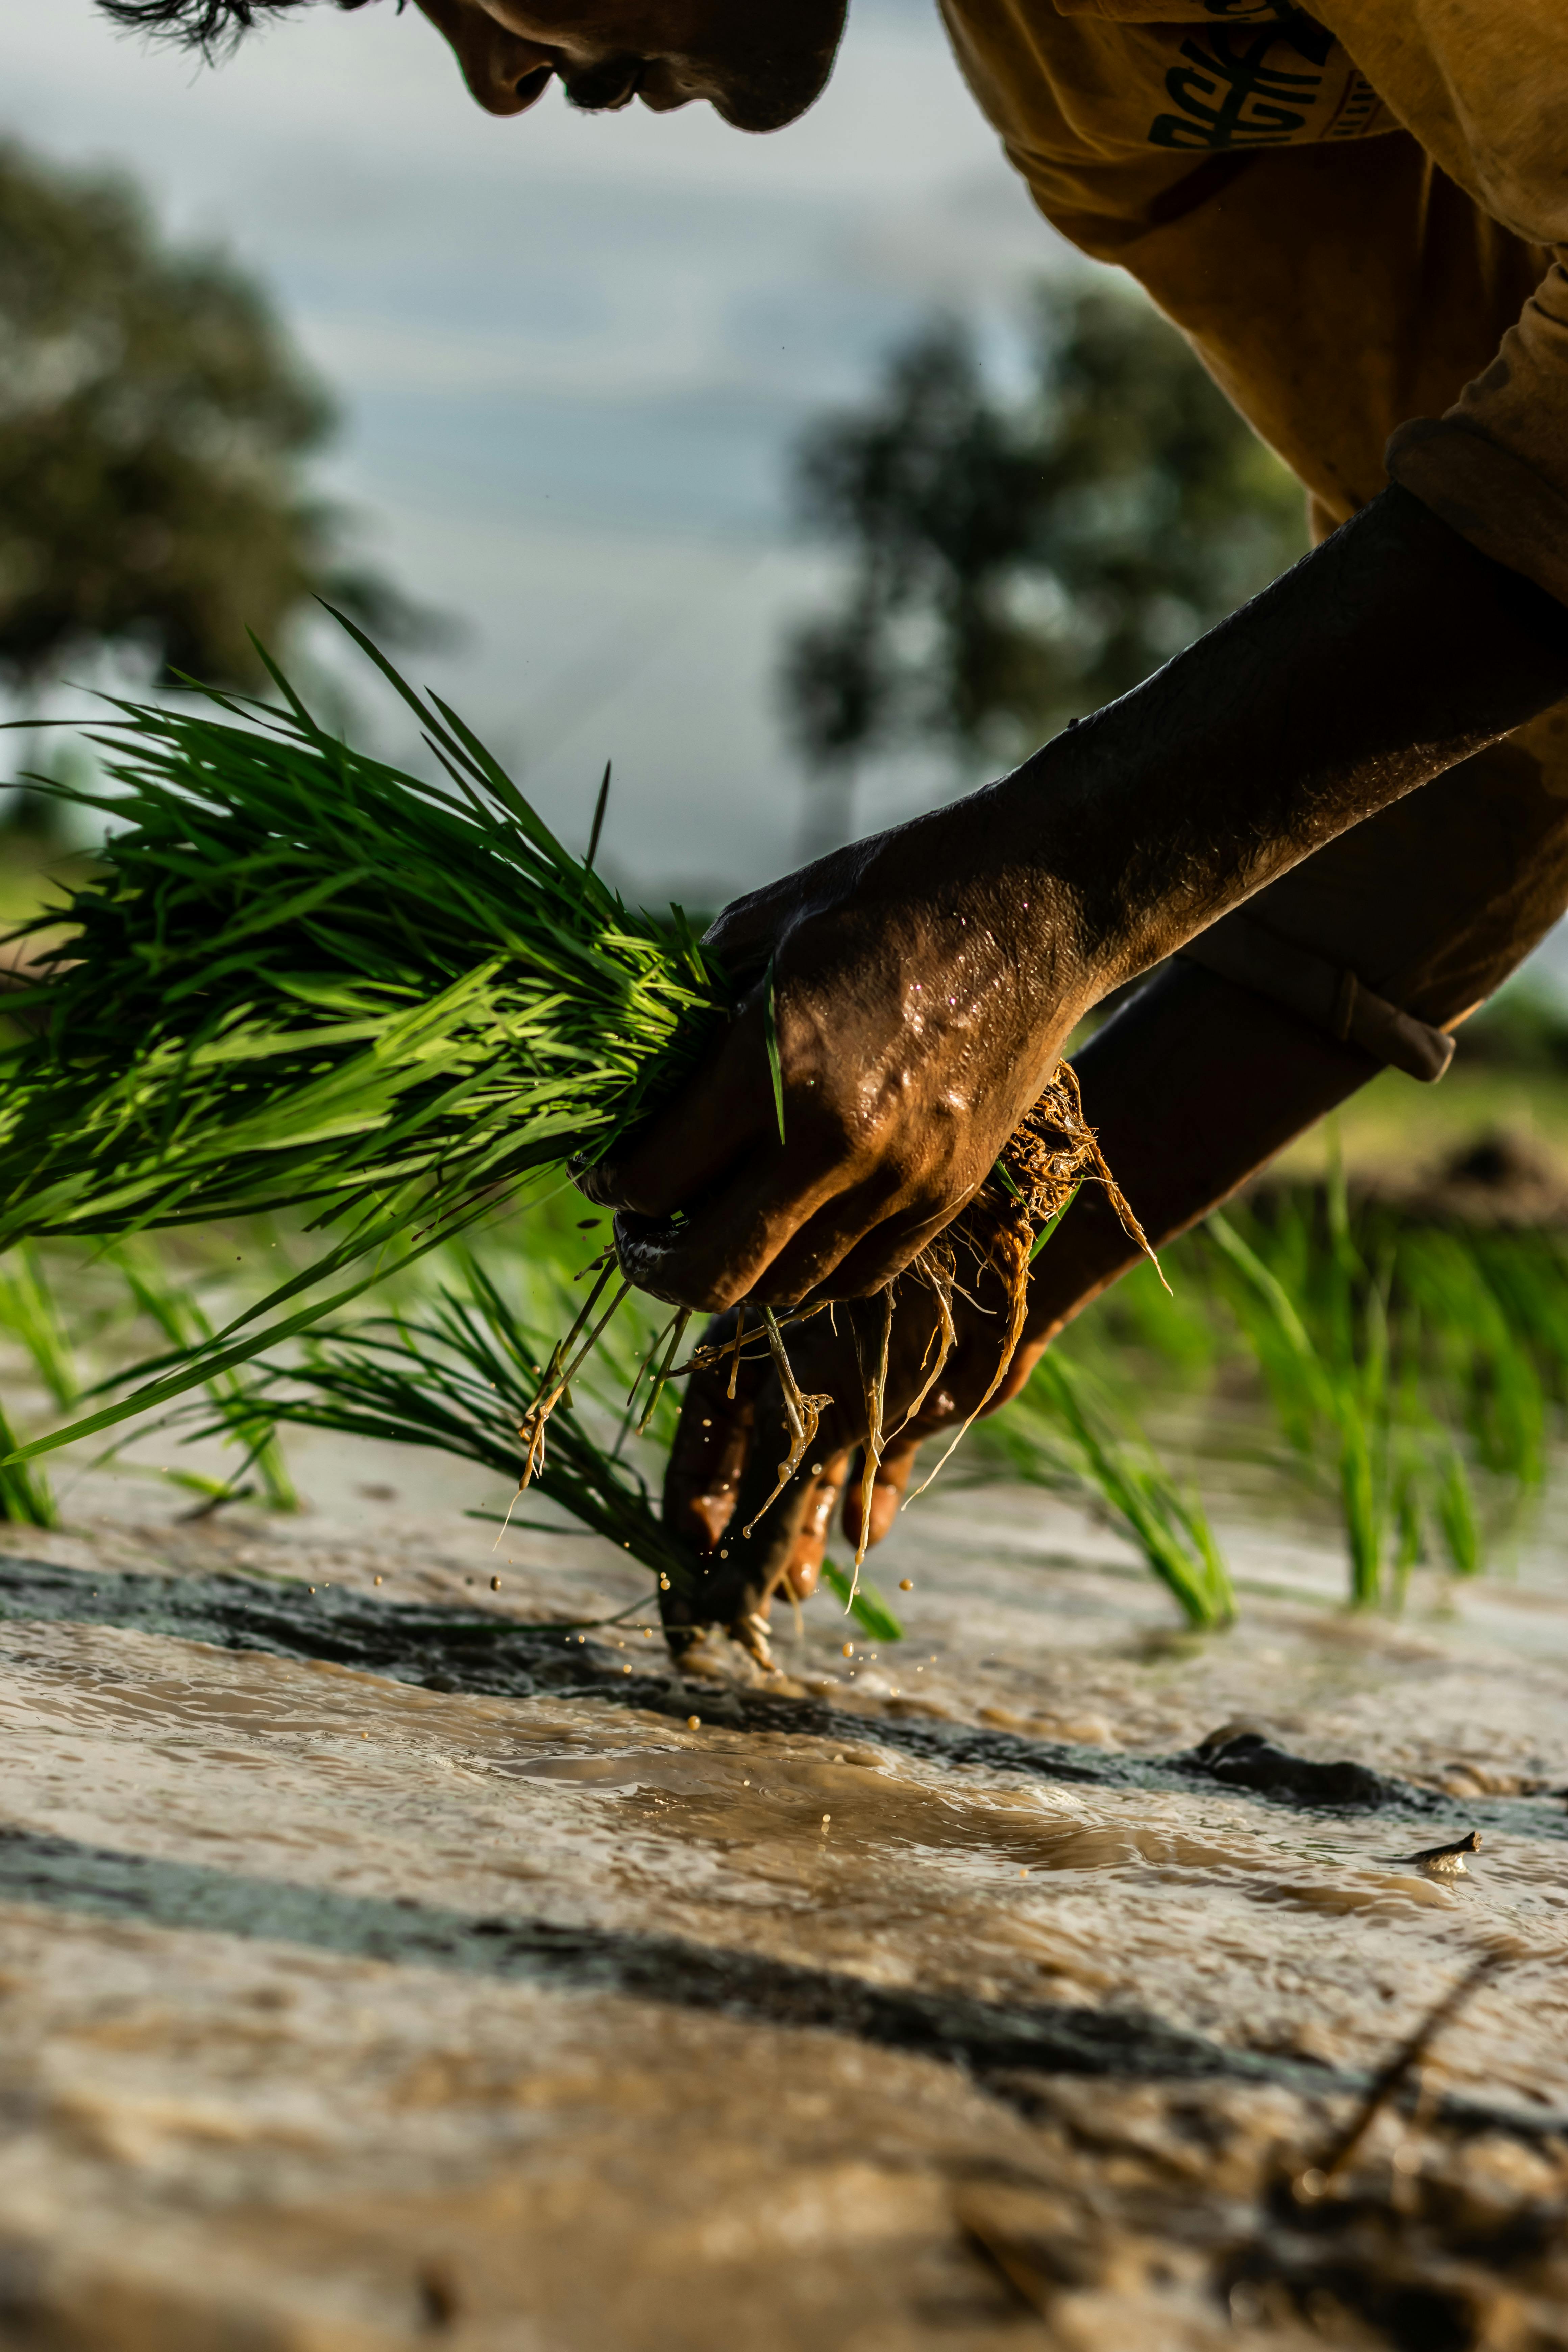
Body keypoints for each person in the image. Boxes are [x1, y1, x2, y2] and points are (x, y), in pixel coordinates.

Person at [106, 0, 1568, 1665]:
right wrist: (981, 1236)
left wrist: (1048, 896)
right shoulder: (1098, 91)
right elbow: (1509, 641)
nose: (497, 74)